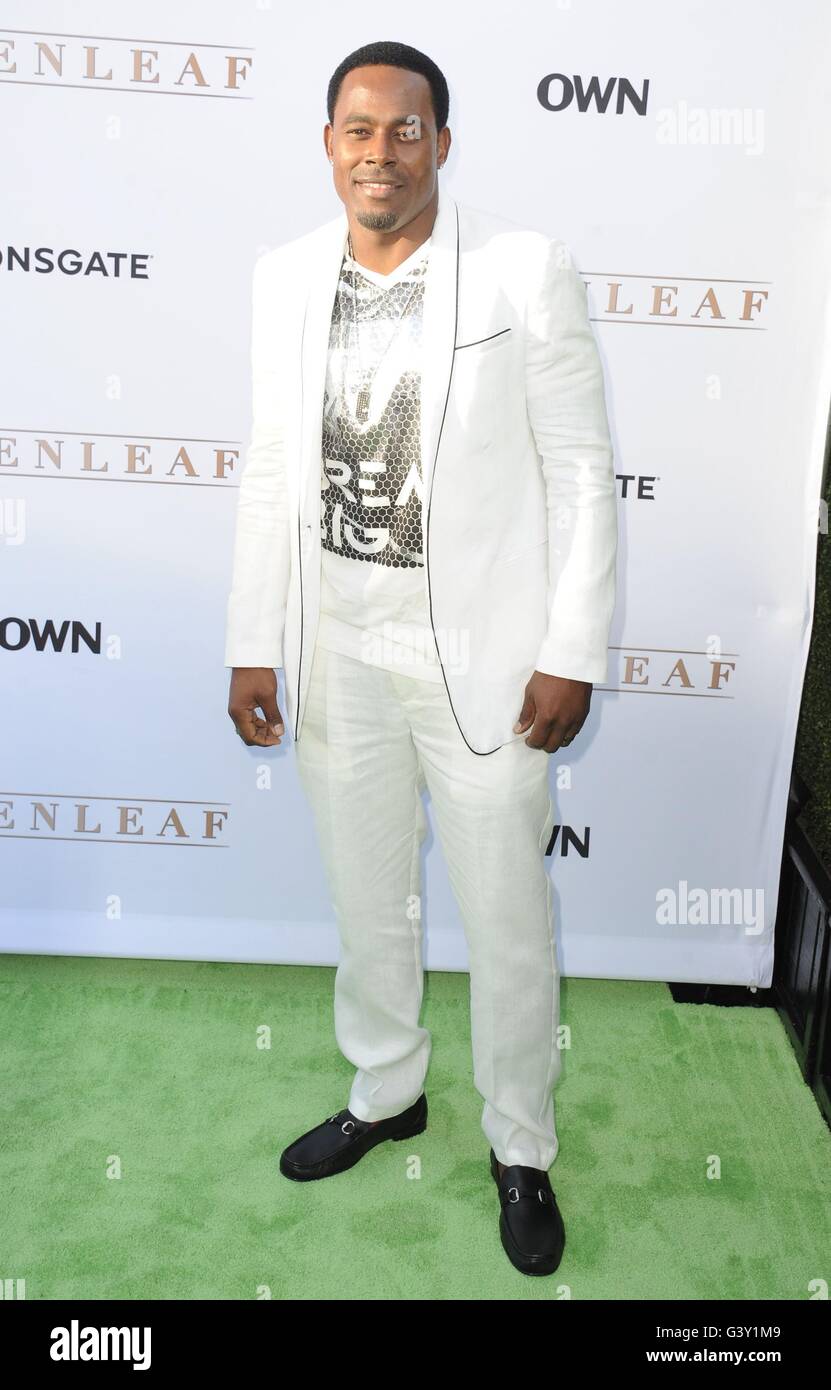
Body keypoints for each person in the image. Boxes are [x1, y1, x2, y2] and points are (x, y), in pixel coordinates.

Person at [225, 39, 617, 1278]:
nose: (378, 152)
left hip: (488, 660)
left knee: (507, 916)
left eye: (405, 130)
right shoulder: (284, 276)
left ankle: (521, 1147)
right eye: (356, 129)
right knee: (369, 900)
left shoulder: (520, 270)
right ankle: (388, 1086)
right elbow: (273, 464)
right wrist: (253, 640)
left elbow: (581, 471)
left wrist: (570, 648)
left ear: (443, 143)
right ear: (328, 144)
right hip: (335, 645)